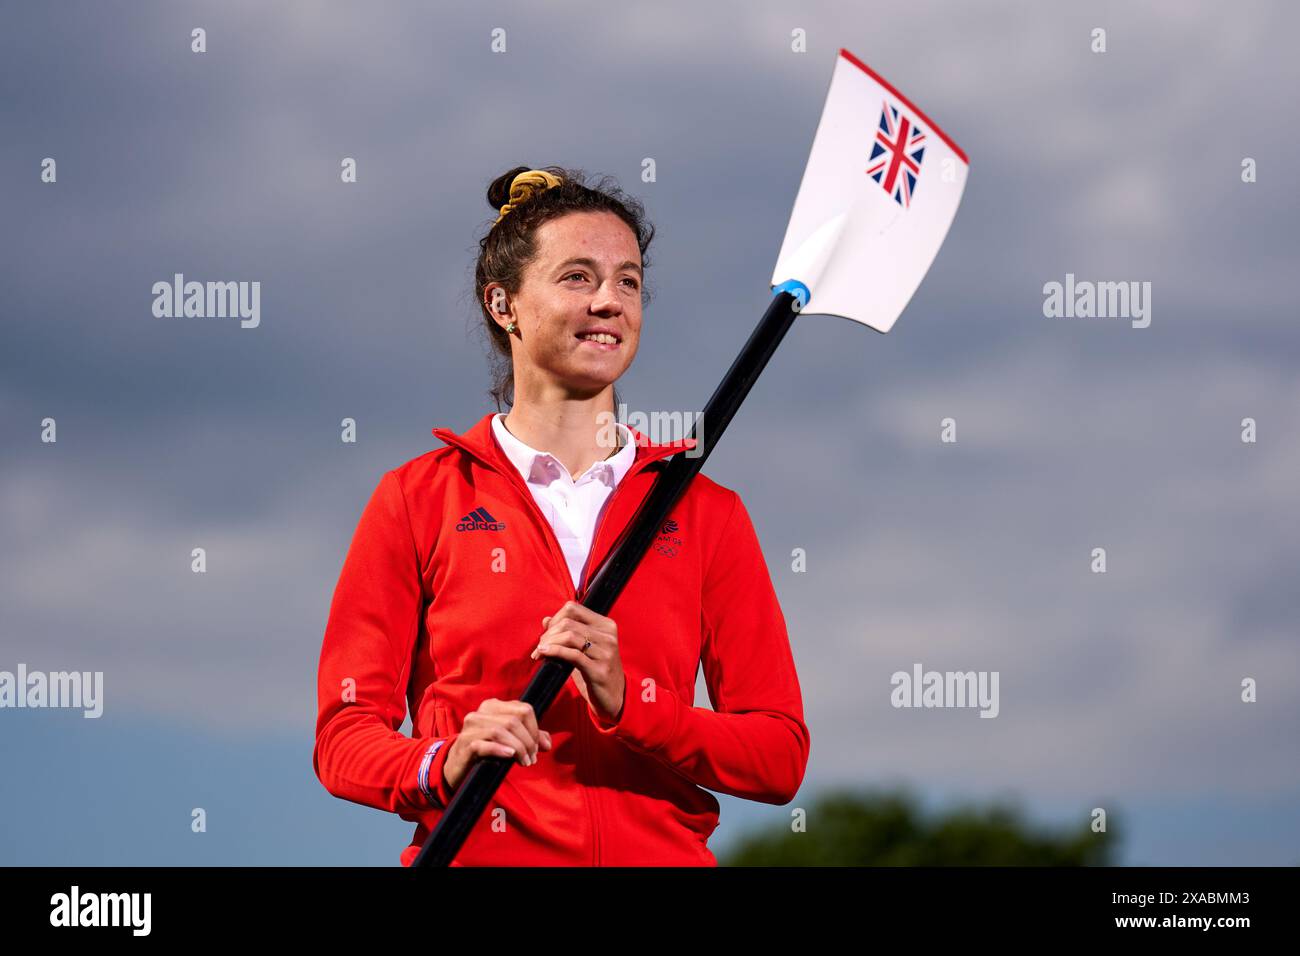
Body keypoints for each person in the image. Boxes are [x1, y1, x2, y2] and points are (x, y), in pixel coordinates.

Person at [313, 166, 810, 866]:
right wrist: (442, 762)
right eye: (578, 277)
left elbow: (779, 755)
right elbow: (344, 736)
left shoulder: (707, 513)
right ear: (504, 303)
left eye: (629, 281)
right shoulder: (417, 499)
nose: (611, 301)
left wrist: (632, 704)